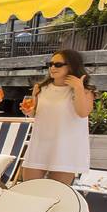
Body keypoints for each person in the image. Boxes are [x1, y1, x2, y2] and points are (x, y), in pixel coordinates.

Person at [21, 48, 95, 185]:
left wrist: (78, 89)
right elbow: (35, 113)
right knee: (28, 192)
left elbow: (82, 113)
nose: (52, 67)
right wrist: (28, 111)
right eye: (50, 64)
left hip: (65, 149)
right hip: (39, 145)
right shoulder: (41, 88)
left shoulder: (84, 91)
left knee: (58, 197)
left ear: (72, 66)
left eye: (58, 64)